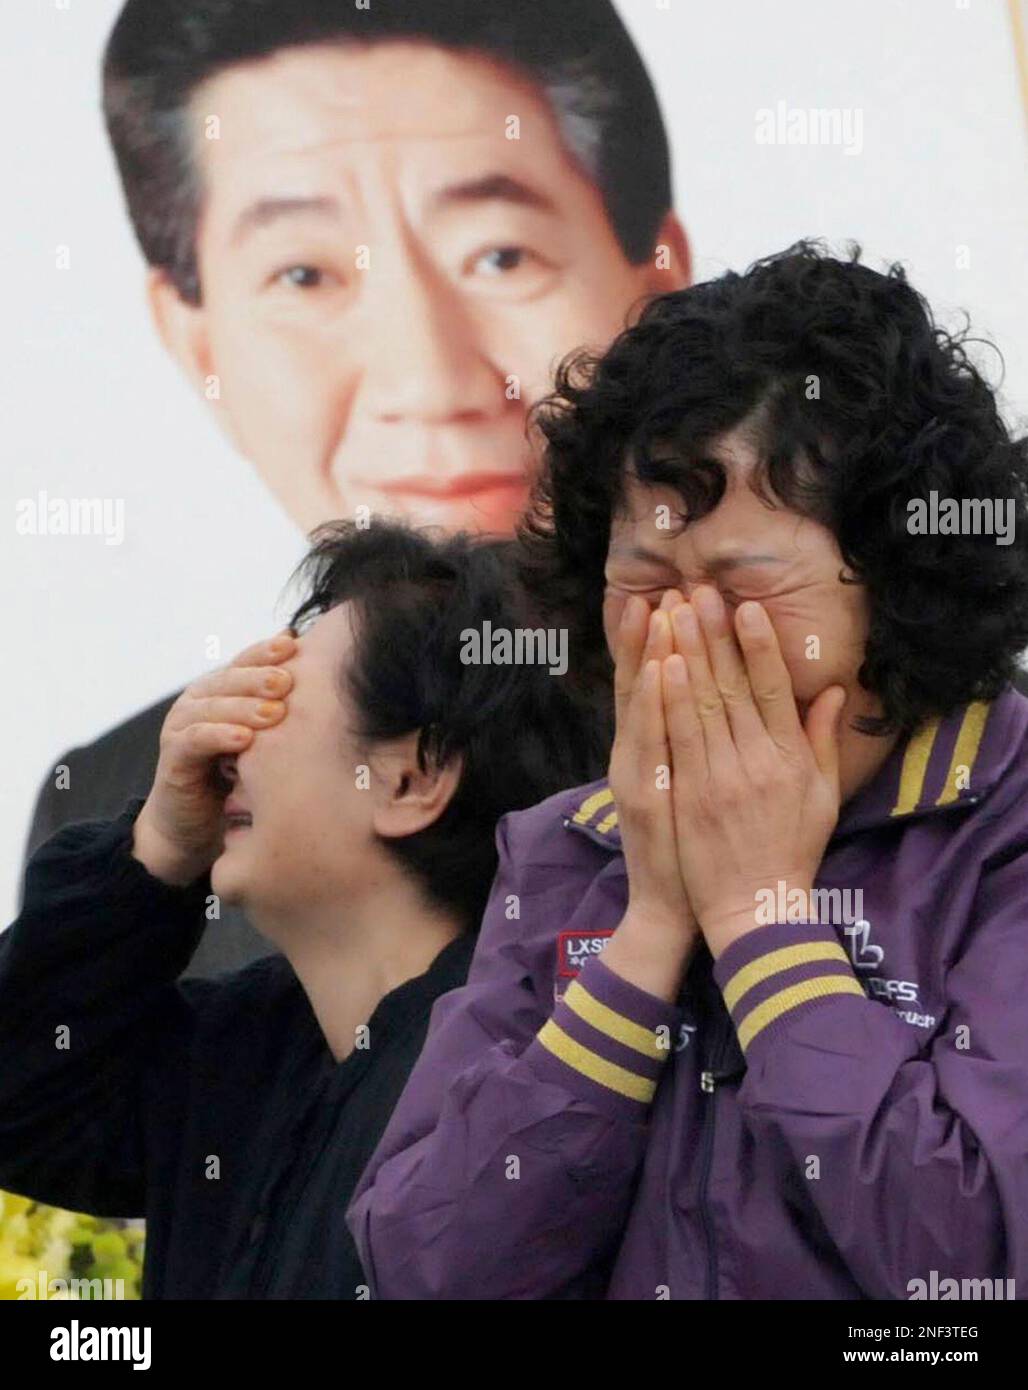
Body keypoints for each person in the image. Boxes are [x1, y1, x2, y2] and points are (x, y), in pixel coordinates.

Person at [348, 243, 1028, 1300]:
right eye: (643, 580)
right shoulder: (569, 850)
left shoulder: (1003, 828)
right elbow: (428, 1267)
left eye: (743, 585)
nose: (683, 632)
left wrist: (762, 927)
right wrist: (652, 926)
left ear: (898, 584)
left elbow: (971, 1258)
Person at [26, 0, 689, 978]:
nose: (426, 379)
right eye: (304, 275)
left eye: (499, 256)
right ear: (196, 344)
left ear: (659, 291)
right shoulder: (120, 812)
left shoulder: (866, 732)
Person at [0, 522, 603, 1298]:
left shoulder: (520, 1076)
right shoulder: (250, 1054)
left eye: (273, 701)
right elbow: (26, 1102)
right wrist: (152, 849)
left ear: (413, 780)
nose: (221, 747)